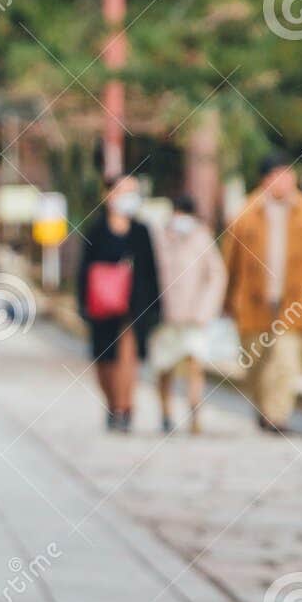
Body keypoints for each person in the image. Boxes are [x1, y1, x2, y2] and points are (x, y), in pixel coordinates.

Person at [224, 152, 302, 434]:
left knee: (285, 362)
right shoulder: (246, 213)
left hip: (294, 301)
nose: (283, 181)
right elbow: (230, 262)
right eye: (277, 175)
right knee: (256, 364)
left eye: (288, 174)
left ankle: (277, 416)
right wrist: (226, 301)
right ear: (265, 180)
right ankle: (264, 409)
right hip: (252, 301)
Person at [76, 175, 160, 432]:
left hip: (134, 307)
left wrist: (156, 307)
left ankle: (125, 409)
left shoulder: (141, 231)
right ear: (109, 195)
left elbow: (152, 271)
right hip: (102, 307)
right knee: (104, 362)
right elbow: (83, 270)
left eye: (134, 192)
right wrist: (83, 305)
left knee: (128, 357)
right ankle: (113, 404)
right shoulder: (96, 231)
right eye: (124, 191)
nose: (130, 197)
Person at [149, 195, 227, 435]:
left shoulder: (202, 238)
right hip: (165, 316)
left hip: (194, 316)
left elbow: (216, 275)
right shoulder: (159, 237)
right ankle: (165, 413)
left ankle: (195, 411)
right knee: (164, 367)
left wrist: (205, 310)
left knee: (195, 364)